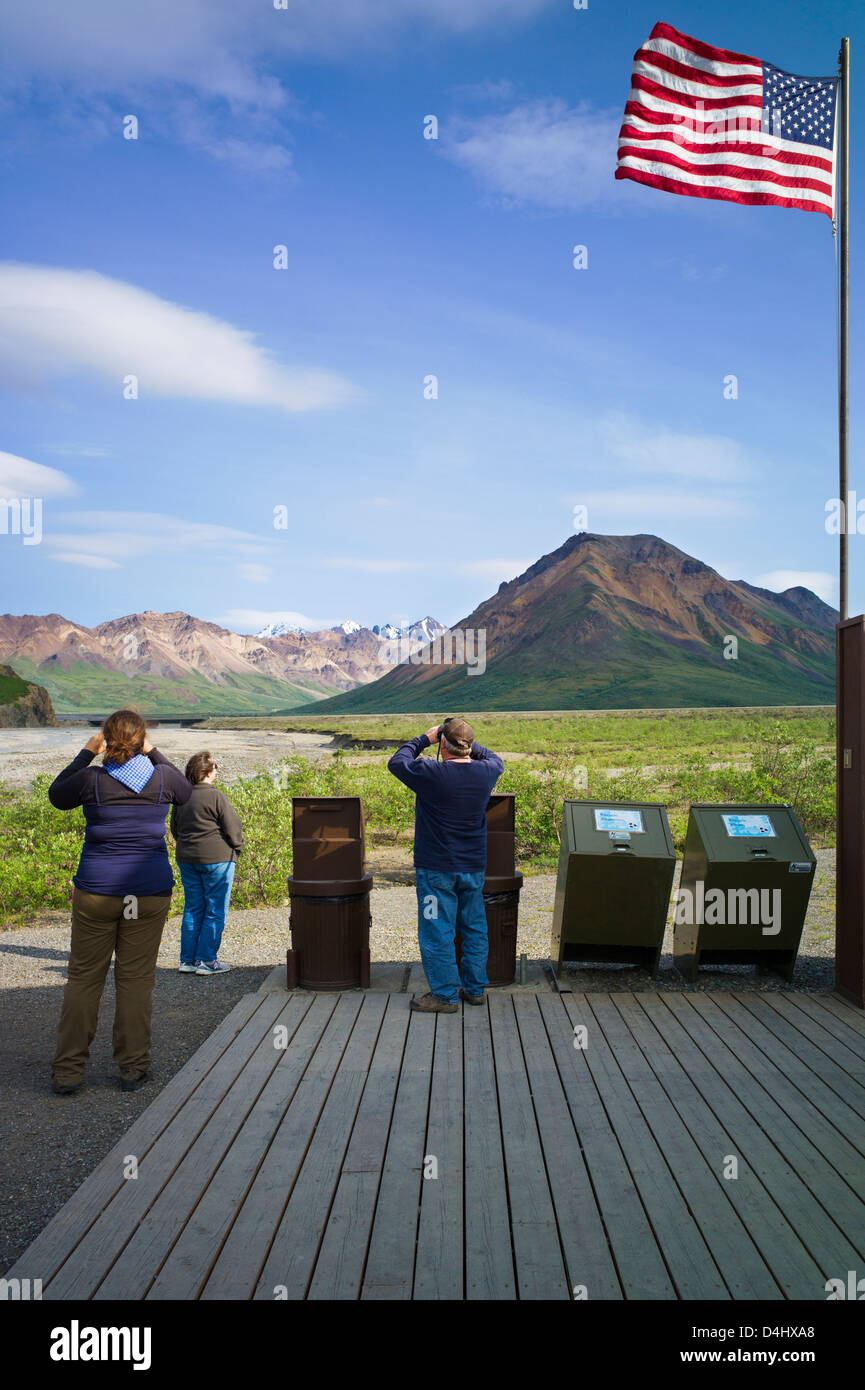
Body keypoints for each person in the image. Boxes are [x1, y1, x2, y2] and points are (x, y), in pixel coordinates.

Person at [48, 709, 192, 1095]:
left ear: (107, 740)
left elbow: (56, 795)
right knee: (135, 980)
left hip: (98, 891)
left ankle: (68, 1073)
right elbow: (186, 790)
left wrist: (85, 752)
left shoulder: (92, 779)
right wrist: (155, 750)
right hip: (144, 894)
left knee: (84, 979)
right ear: (142, 739)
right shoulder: (160, 778)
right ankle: (132, 1067)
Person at [387, 718, 504, 1013]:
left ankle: (444, 996)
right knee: (474, 928)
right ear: (469, 746)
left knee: (436, 930)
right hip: (473, 867)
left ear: (443, 745)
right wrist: (466, 742)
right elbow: (494, 758)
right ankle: (475, 990)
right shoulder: (487, 771)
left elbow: (397, 762)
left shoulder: (431, 772)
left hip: (436, 869)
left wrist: (425, 739)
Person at [170, 751, 243, 976]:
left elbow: (175, 829)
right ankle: (207, 960)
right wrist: (237, 848)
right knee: (215, 909)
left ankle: (188, 960)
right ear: (209, 772)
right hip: (218, 859)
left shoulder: (181, 797)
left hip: (187, 858)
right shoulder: (216, 796)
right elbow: (233, 828)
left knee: (193, 907)